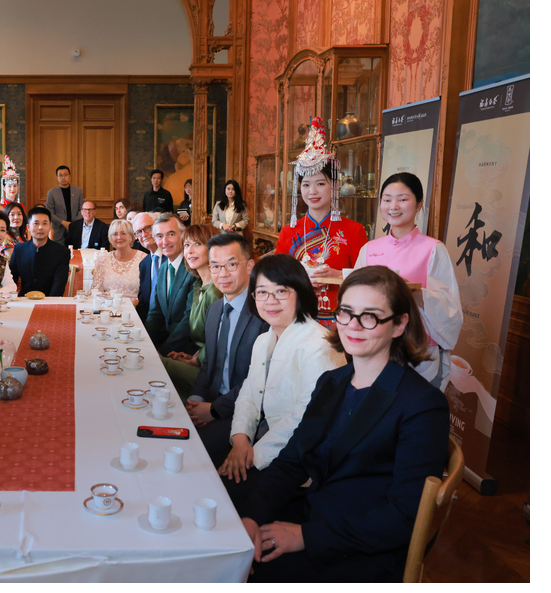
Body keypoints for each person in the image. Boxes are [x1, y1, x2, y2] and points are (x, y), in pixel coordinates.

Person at [240, 266, 449, 583]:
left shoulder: (421, 405)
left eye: (370, 316)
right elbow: (294, 457)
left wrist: (306, 536)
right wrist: (253, 517)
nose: (353, 326)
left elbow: (404, 516)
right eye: (346, 313)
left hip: (361, 546)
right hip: (316, 513)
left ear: (399, 324)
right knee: (231, 541)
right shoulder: (332, 381)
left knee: (245, 573)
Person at [217, 254, 346, 508]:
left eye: (281, 291)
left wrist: (252, 455)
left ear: (300, 292)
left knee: (223, 495)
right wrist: (241, 439)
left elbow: (306, 419)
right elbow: (249, 394)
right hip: (259, 438)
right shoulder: (265, 338)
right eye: (262, 293)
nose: (271, 301)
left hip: (299, 460)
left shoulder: (318, 345)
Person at [354, 172, 462, 389]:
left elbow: (450, 308)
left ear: (419, 204)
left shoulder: (433, 249)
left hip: (418, 353)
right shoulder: (369, 249)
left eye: (402, 199)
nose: (393, 205)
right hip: (375, 348)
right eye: (387, 199)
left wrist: (415, 292)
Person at [184, 233, 267, 466]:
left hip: (243, 413)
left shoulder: (263, 312)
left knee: (191, 453)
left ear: (250, 265)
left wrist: (213, 410)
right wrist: (195, 399)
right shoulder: (216, 308)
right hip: (210, 401)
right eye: (216, 266)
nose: (223, 273)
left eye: (231, 264)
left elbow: (259, 380)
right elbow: (209, 363)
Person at [275, 118, 367, 326]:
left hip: (343, 322)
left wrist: (338, 274)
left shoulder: (354, 230)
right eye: (306, 185)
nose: (312, 191)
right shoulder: (289, 231)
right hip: (297, 319)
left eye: (320, 183)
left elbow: (366, 279)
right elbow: (277, 277)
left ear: (334, 186)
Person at [158, 224, 222, 399]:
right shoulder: (198, 286)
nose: (190, 251)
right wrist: (190, 356)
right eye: (186, 245)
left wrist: (195, 360)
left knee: (152, 362)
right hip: (200, 362)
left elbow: (218, 340)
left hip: (211, 375)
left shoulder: (217, 291)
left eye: (197, 244)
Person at [144, 213, 195, 348]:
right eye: (160, 236)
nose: (165, 242)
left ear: (183, 235)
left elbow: (188, 321)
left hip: (186, 348)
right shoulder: (163, 268)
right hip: (163, 343)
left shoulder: (193, 270)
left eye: (171, 234)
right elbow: (155, 314)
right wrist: (144, 344)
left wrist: (163, 352)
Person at [8, 207, 70, 297]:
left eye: (44, 224)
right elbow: (11, 280)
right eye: (36, 223)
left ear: (50, 226)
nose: (40, 228)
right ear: (28, 227)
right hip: (24, 300)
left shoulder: (62, 252)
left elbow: (59, 285)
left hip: (50, 301)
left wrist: (47, 305)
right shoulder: (19, 250)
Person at [90, 219, 146, 304]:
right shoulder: (103, 259)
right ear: (110, 238)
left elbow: (148, 292)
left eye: (123, 233)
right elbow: (95, 290)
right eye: (115, 234)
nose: (119, 237)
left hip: (136, 309)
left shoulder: (143, 259)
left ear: (131, 236)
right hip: (108, 308)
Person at [131, 211, 160, 320]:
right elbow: (143, 305)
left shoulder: (171, 259)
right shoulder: (145, 264)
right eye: (139, 232)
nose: (143, 235)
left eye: (147, 228)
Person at [44, 164, 83, 245]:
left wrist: (72, 224)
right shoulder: (51, 193)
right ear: (57, 177)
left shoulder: (78, 191)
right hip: (58, 230)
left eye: (65, 175)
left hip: (75, 229)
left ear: (69, 176)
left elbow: (82, 210)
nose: (63, 178)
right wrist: (63, 223)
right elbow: (49, 213)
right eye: (60, 175)